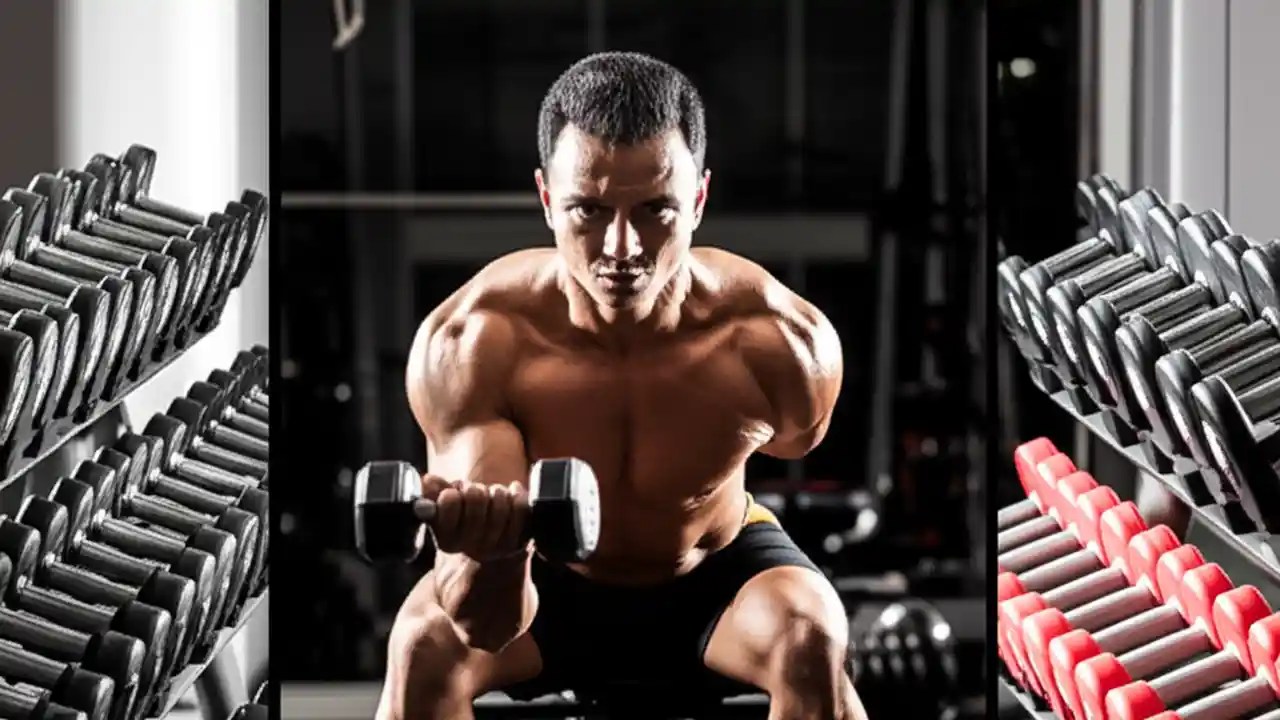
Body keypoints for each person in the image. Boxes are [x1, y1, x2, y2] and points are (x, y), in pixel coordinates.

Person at [379, 51, 862, 720]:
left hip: (711, 572)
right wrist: (496, 545)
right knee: (423, 647)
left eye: (656, 211)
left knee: (812, 638)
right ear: (547, 200)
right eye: (589, 211)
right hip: (547, 583)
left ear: (698, 199)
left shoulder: (779, 345)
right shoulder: (475, 343)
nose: (621, 249)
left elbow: (798, 439)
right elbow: (484, 625)